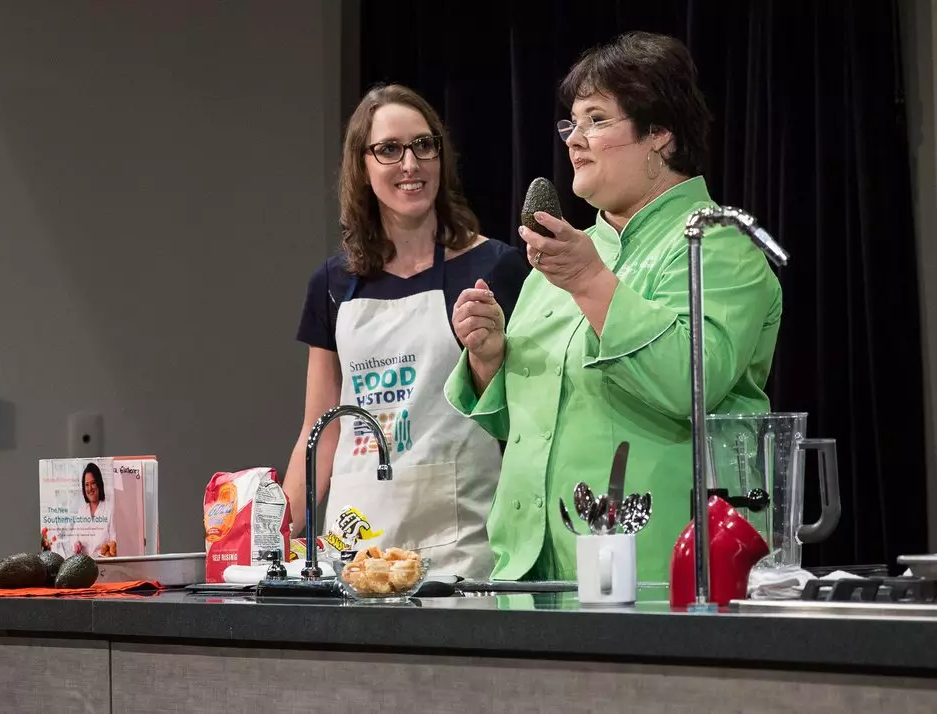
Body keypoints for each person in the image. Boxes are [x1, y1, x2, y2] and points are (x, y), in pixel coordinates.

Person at [445, 31, 783, 585]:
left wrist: (589, 282)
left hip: (660, 576)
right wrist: (487, 360)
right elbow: (526, 427)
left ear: (660, 135)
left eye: (597, 120)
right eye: (571, 124)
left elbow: (690, 384)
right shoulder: (571, 255)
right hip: (531, 573)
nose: (574, 141)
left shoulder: (714, 242)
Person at [282, 83, 530, 578]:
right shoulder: (333, 283)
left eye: (423, 145)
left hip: (460, 541)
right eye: (389, 149)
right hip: (355, 544)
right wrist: (277, 532)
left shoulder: (495, 266)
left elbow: (523, 413)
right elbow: (321, 426)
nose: (410, 164)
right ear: (363, 166)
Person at [75, 462, 116, 558]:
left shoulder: (110, 510)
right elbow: (74, 538)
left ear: (99, 484)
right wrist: (76, 544)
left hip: (104, 566)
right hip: (84, 567)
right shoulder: (81, 511)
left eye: (93, 483)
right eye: (86, 484)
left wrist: (105, 553)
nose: (90, 488)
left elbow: (114, 542)